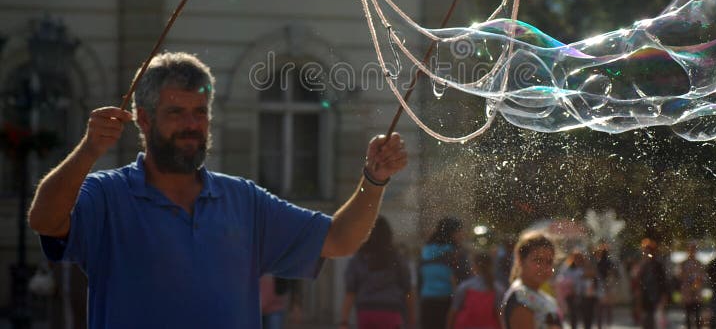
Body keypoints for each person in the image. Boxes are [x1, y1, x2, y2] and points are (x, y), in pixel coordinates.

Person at [27, 51, 408, 328]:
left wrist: (373, 181)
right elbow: (45, 219)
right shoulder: (108, 195)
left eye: (200, 112)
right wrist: (89, 150)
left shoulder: (242, 200)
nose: (192, 124)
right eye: (176, 113)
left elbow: (339, 240)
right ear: (143, 119)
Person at [339, 215, 415, 329]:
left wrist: (344, 321)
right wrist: (411, 318)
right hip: (391, 312)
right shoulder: (396, 259)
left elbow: (350, 292)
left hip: (366, 311)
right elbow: (408, 290)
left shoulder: (359, 259)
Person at [500, 231, 562, 329]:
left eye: (549, 262)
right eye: (538, 260)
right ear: (521, 261)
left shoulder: (536, 294)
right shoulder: (521, 298)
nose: (544, 267)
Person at [419, 216, 472, 329]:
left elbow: (420, 275)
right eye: (459, 231)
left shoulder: (426, 249)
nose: (462, 234)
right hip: (449, 302)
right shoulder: (456, 252)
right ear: (452, 233)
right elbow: (466, 278)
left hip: (427, 300)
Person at [447, 250, 505, 329]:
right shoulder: (498, 288)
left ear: (474, 266)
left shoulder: (465, 287)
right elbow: (500, 315)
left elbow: (453, 311)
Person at [634, 238, 668, 329]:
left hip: (656, 298)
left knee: (656, 322)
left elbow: (663, 282)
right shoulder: (642, 266)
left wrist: (663, 297)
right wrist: (638, 302)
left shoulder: (658, 266)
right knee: (647, 322)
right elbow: (638, 284)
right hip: (645, 299)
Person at [680, 242, 706, 329]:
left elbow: (702, 277)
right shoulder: (683, 264)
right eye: (690, 250)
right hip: (687, 294)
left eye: (693, 249)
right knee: (688, 316)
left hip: (696, 294)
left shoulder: (699, 263)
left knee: (697, 316)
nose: (692, 251)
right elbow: (681, 277)